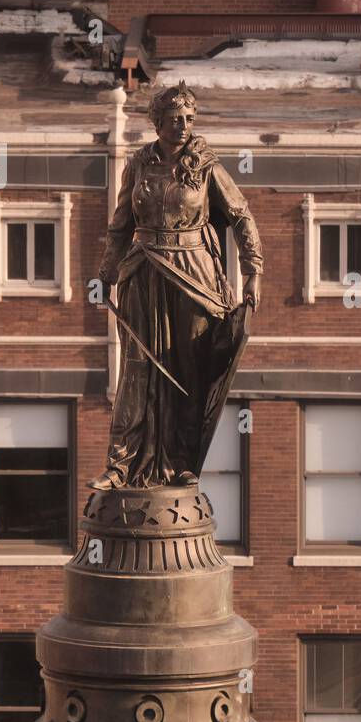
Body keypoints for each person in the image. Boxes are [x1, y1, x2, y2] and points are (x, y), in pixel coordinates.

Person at [89, 83, 263, 490]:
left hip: (193, 275)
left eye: (189, 119)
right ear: (158, 123)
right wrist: (105, 276)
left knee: (187, 367)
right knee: (137, 369)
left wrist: (254, 271)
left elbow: (242, 217)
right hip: (144, 273)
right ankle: (121, 466)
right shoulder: (137, 164)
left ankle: (183, 461)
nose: (183, 126)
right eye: (174, 120)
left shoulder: (206, 166)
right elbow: (119, 228)